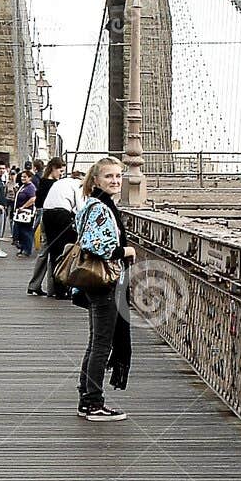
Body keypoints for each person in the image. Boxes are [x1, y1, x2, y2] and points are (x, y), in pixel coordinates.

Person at [72, 156, 134, 421]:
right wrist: (125, 250)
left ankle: (86, 399)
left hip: (96, 282)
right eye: (109, 176)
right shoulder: (100, 208)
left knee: (95, 342)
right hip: (104, 281)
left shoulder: (93, 204)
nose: (115, 181)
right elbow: (95, 244)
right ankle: (94, 403)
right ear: (96, 179)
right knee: (101, 344)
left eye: (119, 176)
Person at [31, 162, 82, 299]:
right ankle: (60, 289)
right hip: (61, 215)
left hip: (47, 215)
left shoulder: (61, 182)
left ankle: (53, 288)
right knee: (65, 251)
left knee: (54, 251)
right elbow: (80, 208)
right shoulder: (78, 185)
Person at [11, 170, 38, 257]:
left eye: (25, 177)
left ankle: (27, 250)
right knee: (21, 231)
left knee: (26, 231)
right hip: (20, 214)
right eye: (22, 177)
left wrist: (24, 206)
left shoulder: (30, 187)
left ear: (30, 178)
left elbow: (33, 198)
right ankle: (22, 248)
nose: (22, 178)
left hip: (26, 213)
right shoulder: (23, 186)